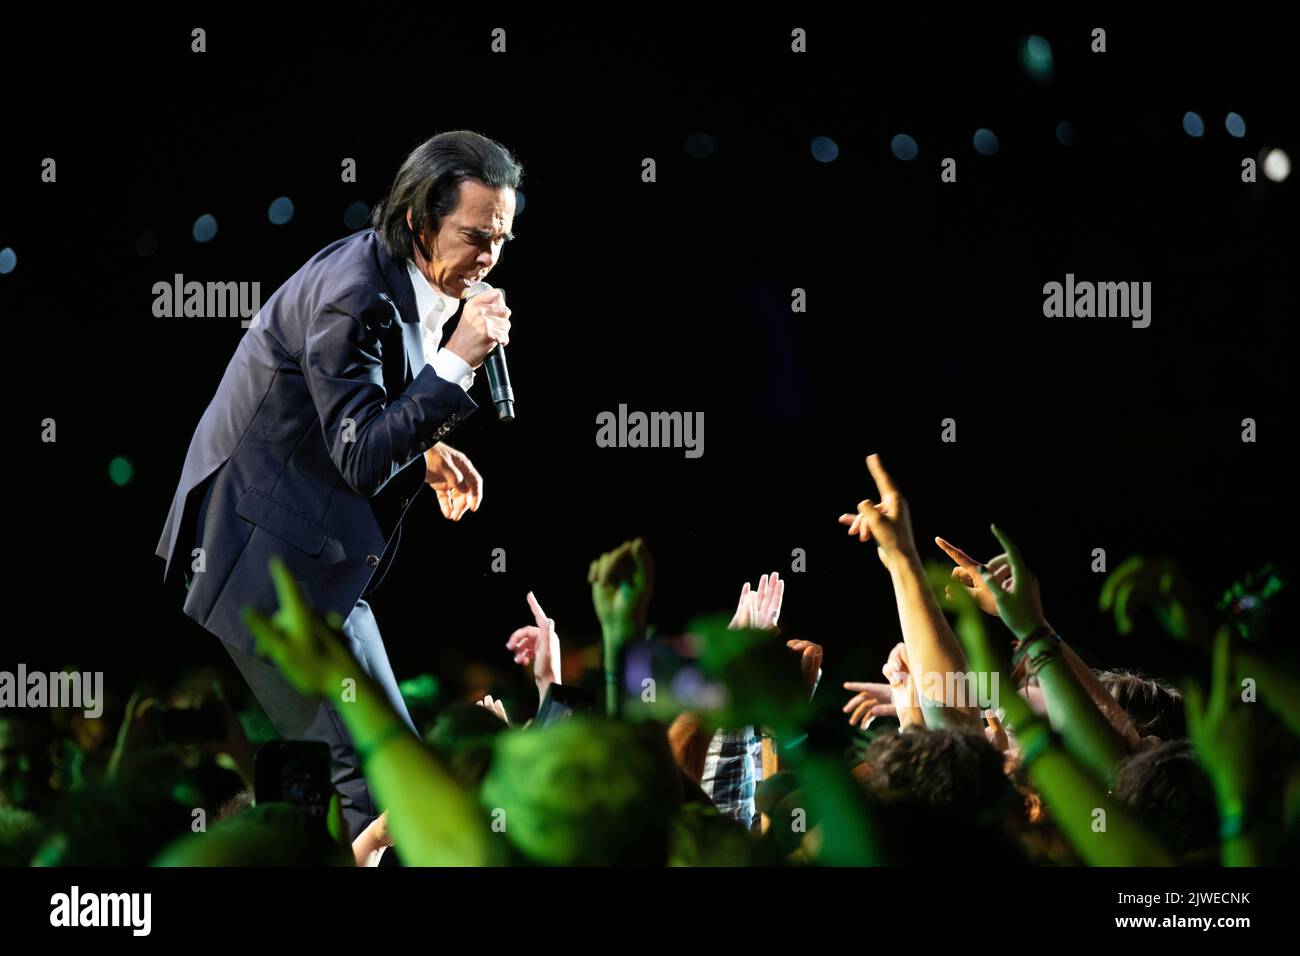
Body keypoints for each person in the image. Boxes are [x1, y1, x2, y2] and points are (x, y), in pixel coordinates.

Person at [155, 129, 521, 840]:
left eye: (502, 240)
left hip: (307, 554)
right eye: (475, 237)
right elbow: (357, 456)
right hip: (261, 562)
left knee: (370, 764)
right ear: (420, 221)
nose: (490, 259)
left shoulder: (391, 272)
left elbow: (346, 426)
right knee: (365, 771)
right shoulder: (354, 297)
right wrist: (454, 364)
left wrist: (422, 457)